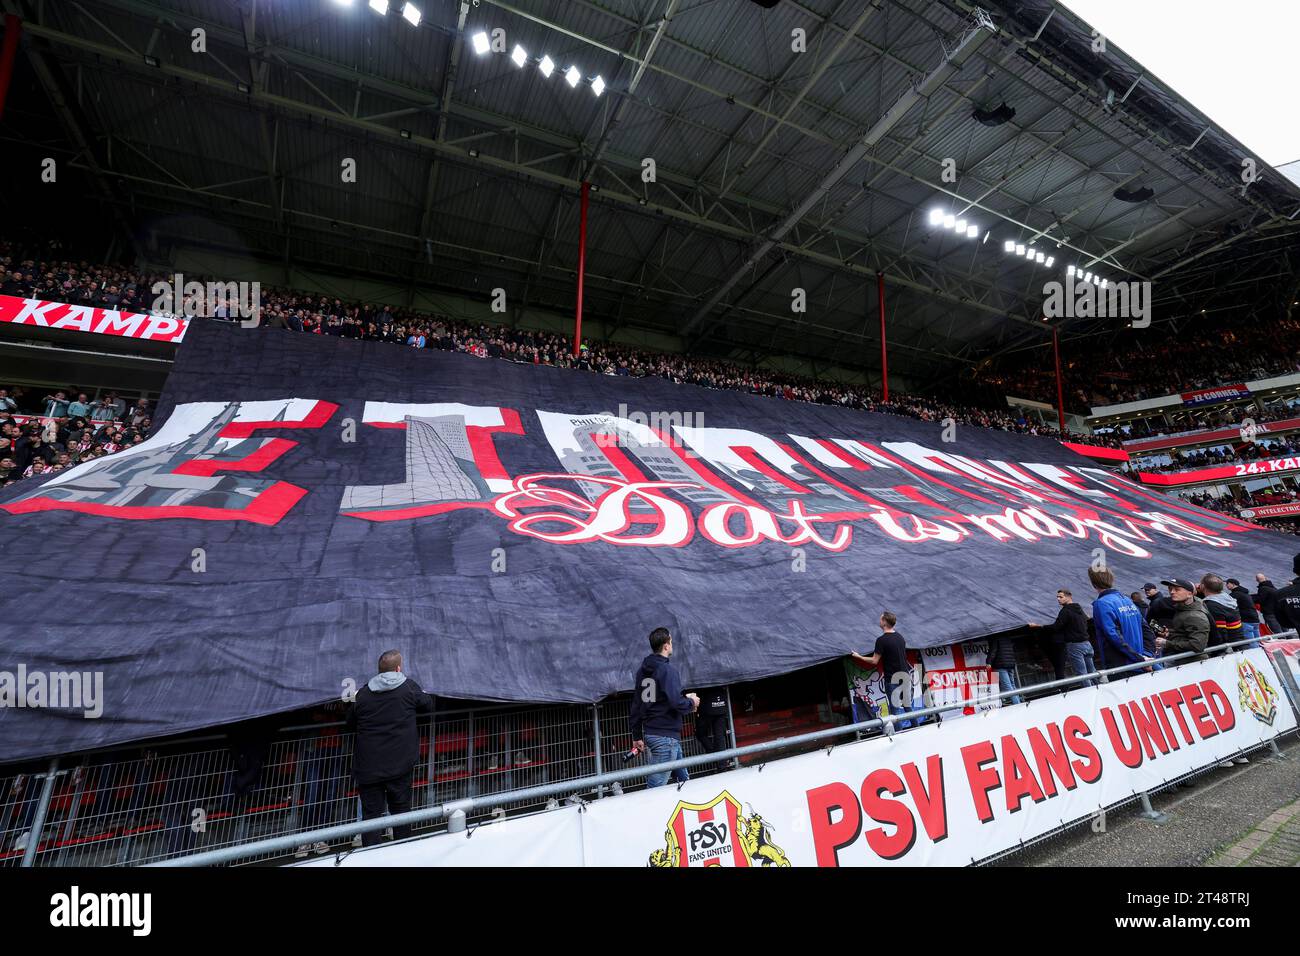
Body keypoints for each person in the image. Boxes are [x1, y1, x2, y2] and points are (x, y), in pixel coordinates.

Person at [345, 650, 434, 847]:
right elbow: (428, 705)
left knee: (371, 817)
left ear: (378, 670)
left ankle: (372, 856)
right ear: (399, 668)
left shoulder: (363, 694)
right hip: (400, 765)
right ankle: (403, 852)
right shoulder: (408, 688)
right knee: (401, 812)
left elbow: (349, 721)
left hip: (369, 767)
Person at [629, 627, 699, 788]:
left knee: (684, 782)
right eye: (671, 642)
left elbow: (642, 703)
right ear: (666, 645)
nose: (672, 645)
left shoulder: (642, 672)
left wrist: (637, 735)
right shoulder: (667, 670)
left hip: (654, 733)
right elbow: (676, 703)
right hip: (666, 737)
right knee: (655, 788)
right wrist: (692, 702)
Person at [851, 611, 920, 725]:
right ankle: (917, 729)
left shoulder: (881, 640)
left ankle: (898, 736)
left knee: (895, 711)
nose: (879, 621)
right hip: (905, 676)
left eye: (880, 619)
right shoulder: (900, 637)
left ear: (884, 622)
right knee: (908, 707)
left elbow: (874, 660)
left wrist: (859, 657)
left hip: (892, 678)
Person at [1028, 589, 1095, 687]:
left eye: (1061, 597)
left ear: (1069, 596)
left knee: (1082, 675)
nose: (1058, 599)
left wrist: (1038, 626)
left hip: (1075, 646)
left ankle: (1090, 694)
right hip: (1087, 644)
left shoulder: (1065, 611)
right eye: (1057, 597)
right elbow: (1086, 618)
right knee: (1092, 672)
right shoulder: (1079, 608)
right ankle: (1099, 691)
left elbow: (1056, 627)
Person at [1089, 566, 1148, 673]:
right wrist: (1145, 656)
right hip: (1138, 661)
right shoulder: (1127, 600)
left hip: (1121, 664)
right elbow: (1146, 629)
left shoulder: (1102, 603)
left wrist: (1139, 658)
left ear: (1093, 584)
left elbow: (1113, 635)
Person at [1158, 579, 1210, 665]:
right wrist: (1170, 633)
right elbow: (1184, 632)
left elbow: (1197, 645)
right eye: (1170, 589)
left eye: (1177, 589)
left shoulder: (1195, 616)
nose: (1172, 592)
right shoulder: (1184, 607)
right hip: (1182, 661)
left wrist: (1167, 643)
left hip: (1190, 664)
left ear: (1190, 594)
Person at [1199, 573, 1241, 653]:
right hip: (1237, 641)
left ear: (1203, 586)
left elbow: (1219, 632)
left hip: (1224, 649)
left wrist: (1216, 651)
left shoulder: (1212, 605)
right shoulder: (1227, 598)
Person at [692, 686, 731, 773]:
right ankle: (722, 765)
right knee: (720, 737)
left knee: (700, 733)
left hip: (706, 707)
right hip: (721, 705)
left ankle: (714, 756)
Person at [1226, 578, 1261, 646]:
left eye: (1227, 583)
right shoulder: (1245, 593)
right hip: (1255, 619)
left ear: (1233, 584)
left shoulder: (1235, 595)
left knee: (1250, 642)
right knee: (1258, 640)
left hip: (1246, 620)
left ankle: (1254, 655)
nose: (1226, 585)